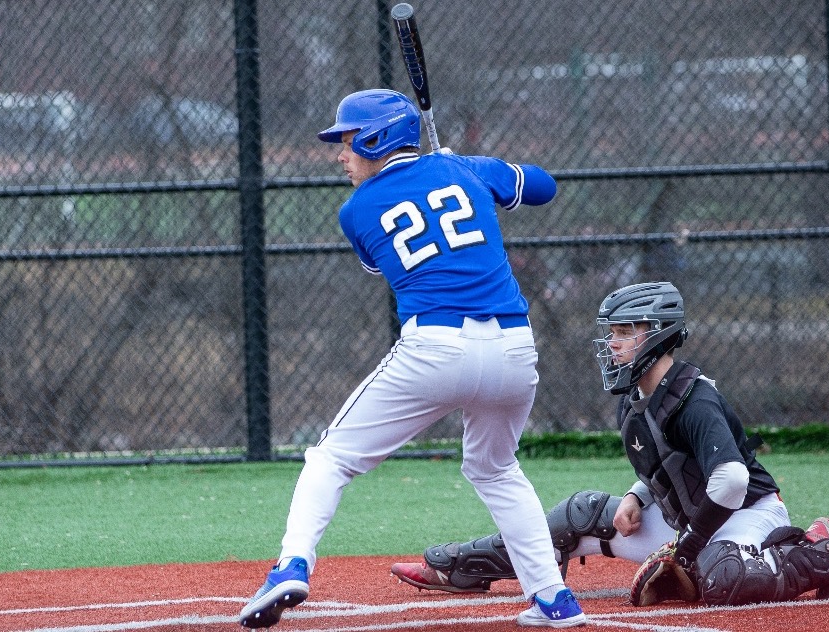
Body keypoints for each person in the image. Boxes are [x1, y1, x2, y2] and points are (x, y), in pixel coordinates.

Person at [238, 88, 586, 629]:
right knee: (496, 468)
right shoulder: (466, 171)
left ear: (378, 140)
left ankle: (290, 565)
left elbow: (393, 258)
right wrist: (474, 169)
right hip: (514, 351)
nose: (340, 154)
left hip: (436, 349)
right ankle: (555, 598)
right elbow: (544, 186)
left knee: (330, 459)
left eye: (348, 141)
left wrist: (448, 173)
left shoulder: (355, 212)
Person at [389, 281, 829, 607]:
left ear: (656, 336)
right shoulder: (636, 397)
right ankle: (464, 567)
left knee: (719, 574)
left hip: (749, 515)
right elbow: (663, 468)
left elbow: (732, 480)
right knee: (579, 514)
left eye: (624, 333)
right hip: (691, 524)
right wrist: (638, 497)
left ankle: (820, 554)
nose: (613, 343)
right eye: (612, 333)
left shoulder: (695, 397)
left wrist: (686, 549)